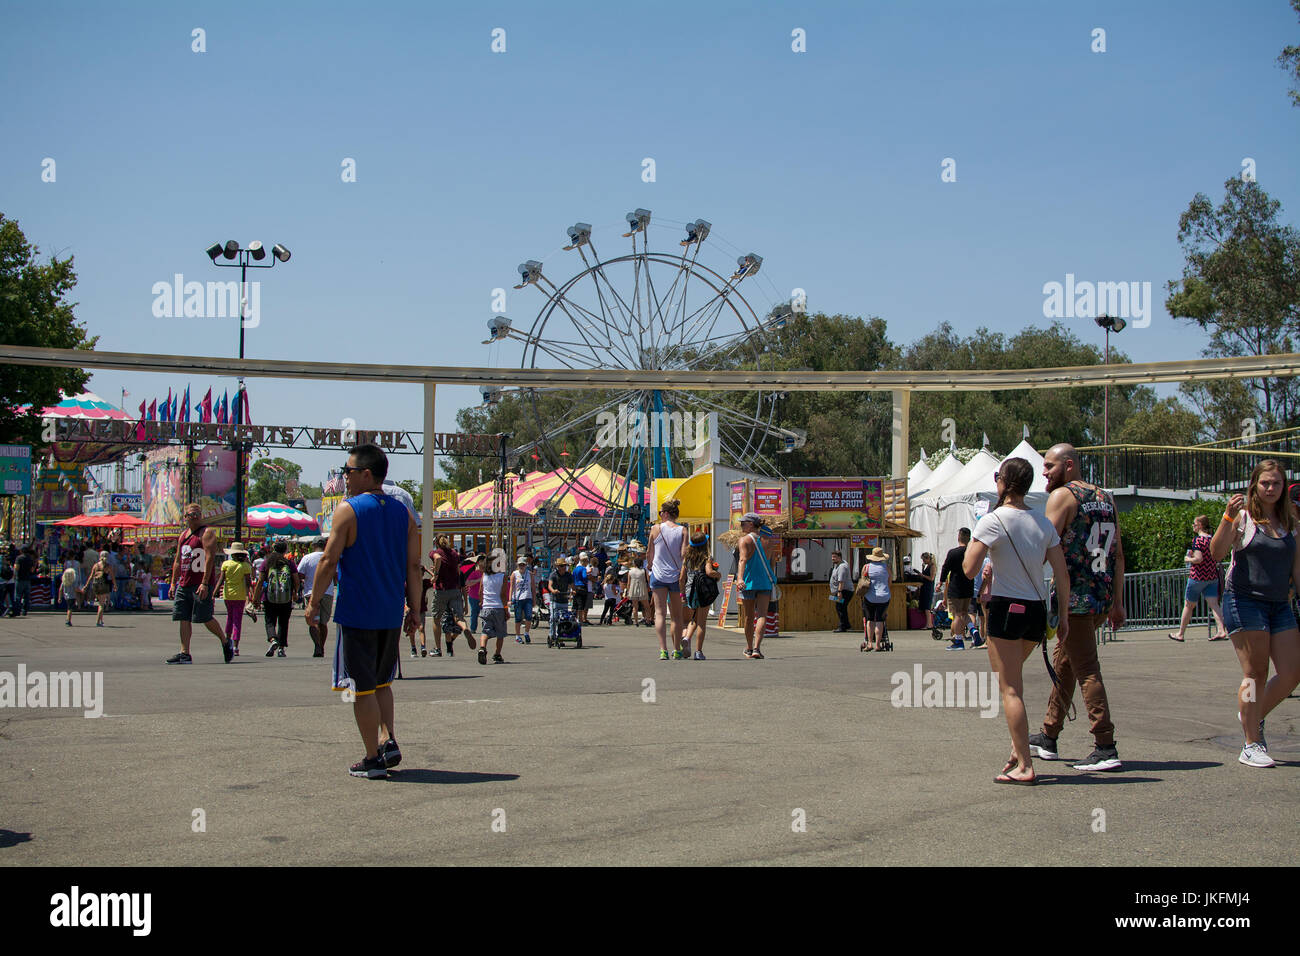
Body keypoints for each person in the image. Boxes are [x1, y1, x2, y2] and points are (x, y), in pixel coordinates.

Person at [307, 443, 421, 779]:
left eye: (349, 472)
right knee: (384, 683)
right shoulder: (403, 514)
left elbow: (328, 560)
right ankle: (388, 739)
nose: (345, 478)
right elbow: (414, 566)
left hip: (357, 612)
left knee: (361, 688)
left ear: (366, 474)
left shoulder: (349, 510)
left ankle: (372, 759)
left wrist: (313, 603)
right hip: (389, 613)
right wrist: (414, 609)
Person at [963, 457, 1071, 785]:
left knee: (1009, 689)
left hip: (1006, 608)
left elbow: (969, 569)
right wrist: (1062, 616)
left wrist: (979, 536)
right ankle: (1017, 748)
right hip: (1036, 611)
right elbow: (1062, 575)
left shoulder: (993, 520)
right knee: (1016, 681)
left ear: (1005, 482)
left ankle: (1025, 764)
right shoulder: (1043, 523)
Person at [1028, 442, 1125, 772]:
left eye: (1050, 466)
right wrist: (1118, 602)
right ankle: (1049, 734)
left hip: (1075, 599)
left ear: (1069, 465)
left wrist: (1024, 582)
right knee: (1066, 662)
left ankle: (1105, 744)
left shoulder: (1063, 497)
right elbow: (1118, 555)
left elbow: (1045, 544)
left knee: (1086, 669)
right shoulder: (1106, 498)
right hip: (1100, 595)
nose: (1045, 472)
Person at [1209, 460, 1300, 768]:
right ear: (1254, 486)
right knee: (1255, 674)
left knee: (1291, 673)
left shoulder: (1290, 521)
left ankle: (1251, 714)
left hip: (1279, 605)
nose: (1270, 488)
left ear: (1283, 487)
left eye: (1276, 483)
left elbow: (1297, 567)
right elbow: (1216, 553)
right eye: (1265, 483)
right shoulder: (1243, 518)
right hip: (1244, 602)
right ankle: (1251, 743)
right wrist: (1227, 517)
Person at [166, 504, 232, 664]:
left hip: (200, 584)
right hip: (184, 583)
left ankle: (225, 641)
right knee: (183, 617)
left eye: (197, 514)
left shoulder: (206, 533)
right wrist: (173, 583)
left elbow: (209, 557)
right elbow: (177, 561)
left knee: (205, 618)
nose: (195, 517)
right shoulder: (183, 535)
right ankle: (185, 653)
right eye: (191, 514)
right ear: (185, 517)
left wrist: (204, 583)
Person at [1170, 514, 1228, 642]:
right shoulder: (1212, 539)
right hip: (1212, 576)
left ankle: (1180, 633)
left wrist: (1187, 558)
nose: (1193, 526)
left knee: (1188, 605)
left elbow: (1198, 559)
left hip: (1197, 577)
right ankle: (1221, 630)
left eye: (1194, 524)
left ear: (1200, 525)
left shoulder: (1198, 540)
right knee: (1214, 605)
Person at [647, 500, 689, 659]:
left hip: (658, 575)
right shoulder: (682, 530)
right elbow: (684, 554)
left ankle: (663, 649)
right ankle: (677, 649)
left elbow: (649, 553)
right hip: (676, 576)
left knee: (660, 614)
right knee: (677, 616)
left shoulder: (655, 529)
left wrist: (651, 566)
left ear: (665, 513)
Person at [736, 513, 778, 659]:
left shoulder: (744, 540)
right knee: (762, 615)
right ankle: (757, 648)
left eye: (743, 523)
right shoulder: (769, 541)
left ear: (751, 524)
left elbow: (742, 560)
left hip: (748, 582)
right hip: (765, 581)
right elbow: (772, 563)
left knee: (748, 616)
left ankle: (749, 647)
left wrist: (739, 578)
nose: (741, 525)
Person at [430, 535, 476, 657]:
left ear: (436, 543)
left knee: (436, 619)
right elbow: (458, 571)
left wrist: (435, 574)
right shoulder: (454, 554)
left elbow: (438, 558)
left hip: (441, 590)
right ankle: (465, 628)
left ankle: (438, 648)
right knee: (458, 618)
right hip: (455, 590)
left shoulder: (435, 552)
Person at [253, 541, 300, 657]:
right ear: (285, 551)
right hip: (286, 598)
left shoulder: (267, 563)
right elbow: (296, 580)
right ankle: (281, 648)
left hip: (269, 597)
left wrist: (255, 597)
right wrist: (295, 592)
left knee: (270, 621)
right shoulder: (289, 563)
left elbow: (260, 581)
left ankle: (273, 639)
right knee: (283, 623)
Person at [682, 531, 721, 660]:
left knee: (695, 617)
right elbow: (709, 572)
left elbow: (681, 577)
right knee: (702, 623)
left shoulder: (687, 558)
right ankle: (698, 651)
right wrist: (718, 574)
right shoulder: (707, 557)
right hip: (702, 591)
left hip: (690, 591)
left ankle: (687, 638)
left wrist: (682, 593)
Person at [214, 543, 254, 656]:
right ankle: (236, 646)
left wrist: (214, 593)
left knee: (229, 618)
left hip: (228, 595)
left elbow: (221, 580)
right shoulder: (245, 566)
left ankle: (227, 640)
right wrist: (252, 596)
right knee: (237, 621)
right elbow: (248, 583)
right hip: (240, 596)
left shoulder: (226, 564)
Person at [297, 537, 334, 657]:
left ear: (313, 545)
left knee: (313, 621)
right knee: (323, 622)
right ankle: (321, 646)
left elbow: (300, 574)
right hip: (328, 592)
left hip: (311, 592)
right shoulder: (331, 557)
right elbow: (337, 576)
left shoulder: (307, 558)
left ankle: (317, 646)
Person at [939, 529, 974, 650]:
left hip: (956, 587)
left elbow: (945, 568)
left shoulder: (953, 553)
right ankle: (974, 631)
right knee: (965, 612)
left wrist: (941, 581)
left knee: (957, 614)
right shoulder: (971, 552)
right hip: (969, 585)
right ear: (969, 538)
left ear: (959, 537)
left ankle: (958, 640)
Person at [857, 547, 891, 651]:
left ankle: (870, 643)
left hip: (870, 597)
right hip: (884, 596)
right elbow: (890, 582)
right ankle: (878, 645)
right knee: (880, 620)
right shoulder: (887, 568)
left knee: (870, 619)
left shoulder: (866, 567)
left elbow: (863, 581)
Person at [477, 559, 508, 665]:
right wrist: (506, 609)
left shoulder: (484, 575)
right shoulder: (502, 576)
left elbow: (480, 590)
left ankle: (482, 648)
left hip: (486, 607)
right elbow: (503, 595)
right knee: (500, 633)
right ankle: (497, 654)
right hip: (498, 607)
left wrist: (481, 601)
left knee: (485, 630)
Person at [510, 557, 534, 644]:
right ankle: (518, 636)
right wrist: (510, 599)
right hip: (518, 598)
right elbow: (512, 587)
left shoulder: (530, 574)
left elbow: (533, 588)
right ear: (517, 565)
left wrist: (534, 599)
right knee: (518, 618)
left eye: (523, 565)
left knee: (528, 617)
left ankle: (527, 633)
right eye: (520, 565)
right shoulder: (514, 574)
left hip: (528, 597)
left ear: (526, 565)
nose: (521, 566)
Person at [829, 550, 853, 632]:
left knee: (840, 608)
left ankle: (842, 626)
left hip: (844, 591)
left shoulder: (842, 567)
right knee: (840, 607)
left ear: (839, 557)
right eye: (832, 557)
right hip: (840, 591)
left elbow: (841, 581)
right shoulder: (838, 565)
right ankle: (846, 625)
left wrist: (839, 592)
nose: (833, 559)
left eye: (834, 557)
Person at [88, 551, 113, 627]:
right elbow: (112, 576)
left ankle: (101, 620)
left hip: (96, 585)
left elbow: (91, 576)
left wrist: (86, 585)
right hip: (104, 585)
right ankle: (98, 621)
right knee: (101, 604)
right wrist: (115, 585)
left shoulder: (96, 565)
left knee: (100, 602)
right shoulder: (108, 566)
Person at [624, 555, 650, 628]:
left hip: (633, 589)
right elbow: (648, 580)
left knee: (635, 606)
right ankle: (648, 620)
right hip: (642, 588)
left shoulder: (630, 571)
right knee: (646, 606)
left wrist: (627, 591)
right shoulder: (644, 571)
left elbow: (628, 583)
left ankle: (636, 621)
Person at [11, 546, 35, 617]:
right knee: (26, 596)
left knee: (18, 595)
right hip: (27, 579)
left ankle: (17, 610)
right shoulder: (30, 558)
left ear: (21, 550)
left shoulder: (19, 558)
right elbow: (32, 570)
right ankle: (24, 611)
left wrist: (14, 575)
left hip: (20, 578)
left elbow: (16, 568)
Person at [465, 554, 486, 633]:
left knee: (485, 614)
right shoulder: (474, 573)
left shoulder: (488, 573)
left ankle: (485, 628)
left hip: (484, 596)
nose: (482, 565)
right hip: (474, 596)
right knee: (474, 613)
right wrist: (478, 580)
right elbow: (468, 583)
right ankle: (473, 629)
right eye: (481, 563)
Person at [571, 551, 592, 625]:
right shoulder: (583, 569)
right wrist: (587, 579)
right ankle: (580, 620)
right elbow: (584, 577)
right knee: (581, 605)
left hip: (576, 586)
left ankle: (574, 619)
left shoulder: (575, 569)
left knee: (575, 604)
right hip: (582, 587)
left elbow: (572, 578)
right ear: (585, 561)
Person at [918, 553, 936, 630]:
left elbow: (931, 578)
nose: (923, 561)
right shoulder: (927, 566)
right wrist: (922, 569)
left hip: (929, 587)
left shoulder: (932, 566)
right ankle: (928, 623)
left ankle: (929, 624)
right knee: (925, 606)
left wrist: (923, 575)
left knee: (927, 607)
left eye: (924, 559)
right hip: (925, 587)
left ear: (928, 559)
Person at [60, 559, 79, 626]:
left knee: (68, 607)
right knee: (70, 609)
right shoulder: (73, 581)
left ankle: (67, 619)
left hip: (66, 596)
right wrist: (81, 591)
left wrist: (59, 597)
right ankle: (68, 620)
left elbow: (60, 589)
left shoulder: (64, 581)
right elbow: (75, 589)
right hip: (72, 596)